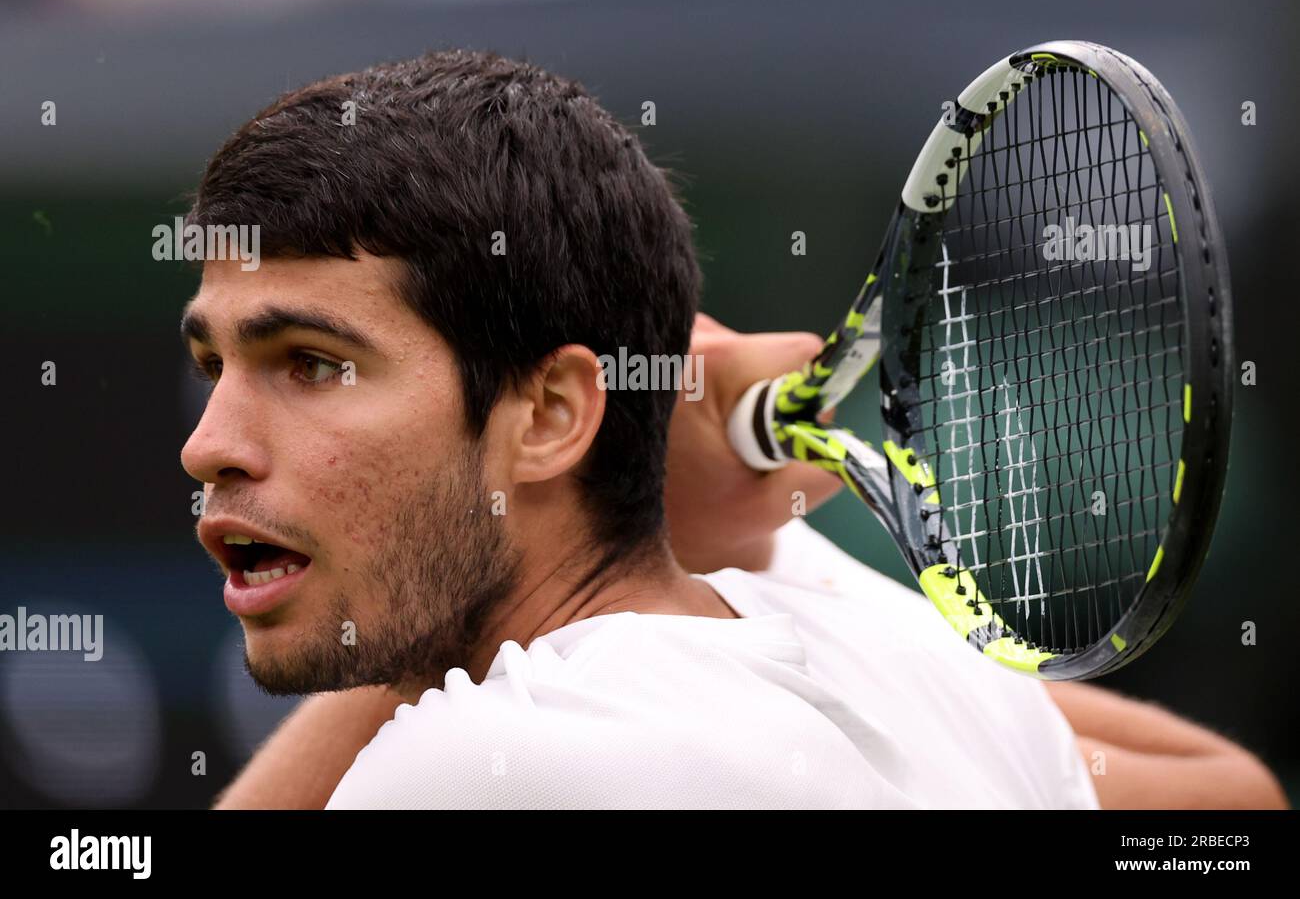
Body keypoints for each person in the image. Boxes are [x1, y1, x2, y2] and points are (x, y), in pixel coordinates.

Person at [180, 49, 1287, 809]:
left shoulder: (487, 764)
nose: (211, 441)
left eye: (312, 364)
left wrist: (671, 506)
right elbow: (1227, 797)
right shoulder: (866, 671)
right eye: (214, 364)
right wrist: (739, 540)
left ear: (554, 413)